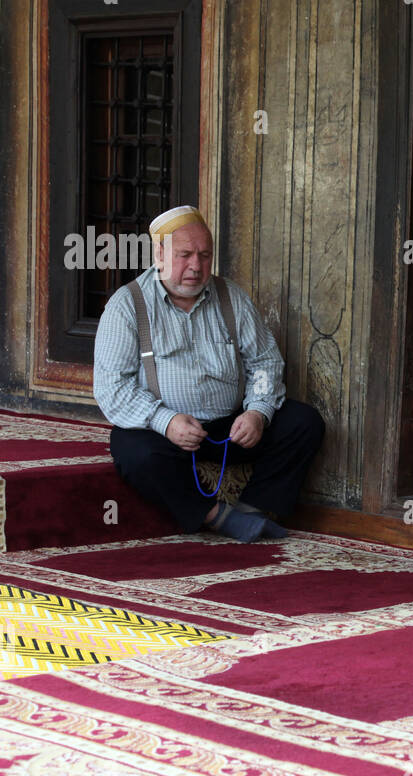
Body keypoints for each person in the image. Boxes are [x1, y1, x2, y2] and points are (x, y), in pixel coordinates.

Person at [93, 205, 325, 542]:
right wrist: (166, 422)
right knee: (131, 449)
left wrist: (257, 412)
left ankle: (253, 508)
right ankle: (215, 515)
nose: (196, 266)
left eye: (205, 255)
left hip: (230, 428)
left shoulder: (231, 296)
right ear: (159, 254)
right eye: (184, 255)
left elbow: (265, 361)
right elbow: (112, 388)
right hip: (168, 434)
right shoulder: (127, 305)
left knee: (303, 422)